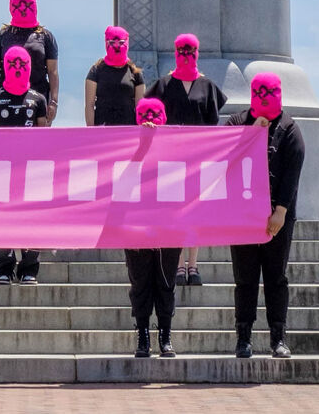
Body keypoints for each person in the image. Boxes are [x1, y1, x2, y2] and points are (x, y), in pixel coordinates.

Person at [228, 72, 304, 361]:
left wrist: (281, 211)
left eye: (269, 92)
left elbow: (292, 175)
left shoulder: (290, 129)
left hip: (278, 216)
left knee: (276, 278)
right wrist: (252, 134)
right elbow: (226, 157)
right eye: (259, 93)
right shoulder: (237, 123)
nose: (263, 99)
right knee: (245, 279)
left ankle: (278, 338)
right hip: (243, 216)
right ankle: (243, 338)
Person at [152, 31, 226, 286]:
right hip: (170, 160)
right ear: (175, 53)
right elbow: (150, 116)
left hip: (198, 159)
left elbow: (212, 124)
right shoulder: (162, 85)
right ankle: (177, 265)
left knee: (195, 212)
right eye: (181, 51)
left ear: (197, 53)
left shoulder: (207, 86)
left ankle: (193, 266)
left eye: (190, 51)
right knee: (174, 211)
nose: (186, 56)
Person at [0, 44, 49, 284]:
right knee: (1, 217)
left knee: (33, 217)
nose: (18, 69)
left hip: (31, 169)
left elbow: (44, 134)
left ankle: (29, 267)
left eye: (23, 65)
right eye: (13, 65)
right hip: (1, 169)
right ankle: (4, 266)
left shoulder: (38, 99)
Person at [123, 96, 178, 358]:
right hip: (135, 229)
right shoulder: (124, 148)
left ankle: (165, 335)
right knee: (140, 284)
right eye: (145, 115)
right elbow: (121, 188)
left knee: (166, 284)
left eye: (155, 115)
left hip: (168, 229)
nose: (150, 120)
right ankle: (142, 335)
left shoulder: (177, 147)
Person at [0, 0, 59, 125]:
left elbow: (53, 72)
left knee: (39, 144)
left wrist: (53, 101)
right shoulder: (0, 37)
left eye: (28, 5)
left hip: (39, 99)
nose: (23, 10)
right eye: (19, 6)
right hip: (5, 100)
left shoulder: (46, 37)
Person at [84, 25, 144, 126]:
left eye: (121, 43)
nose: (117, 46)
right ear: (106, 43)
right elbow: (89, 105)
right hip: (102, 127)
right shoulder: (96, 70)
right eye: (112, 43)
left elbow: (140, 106)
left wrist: (139, 130)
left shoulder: (135, 72)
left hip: (128, 128)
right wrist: (91, 130)